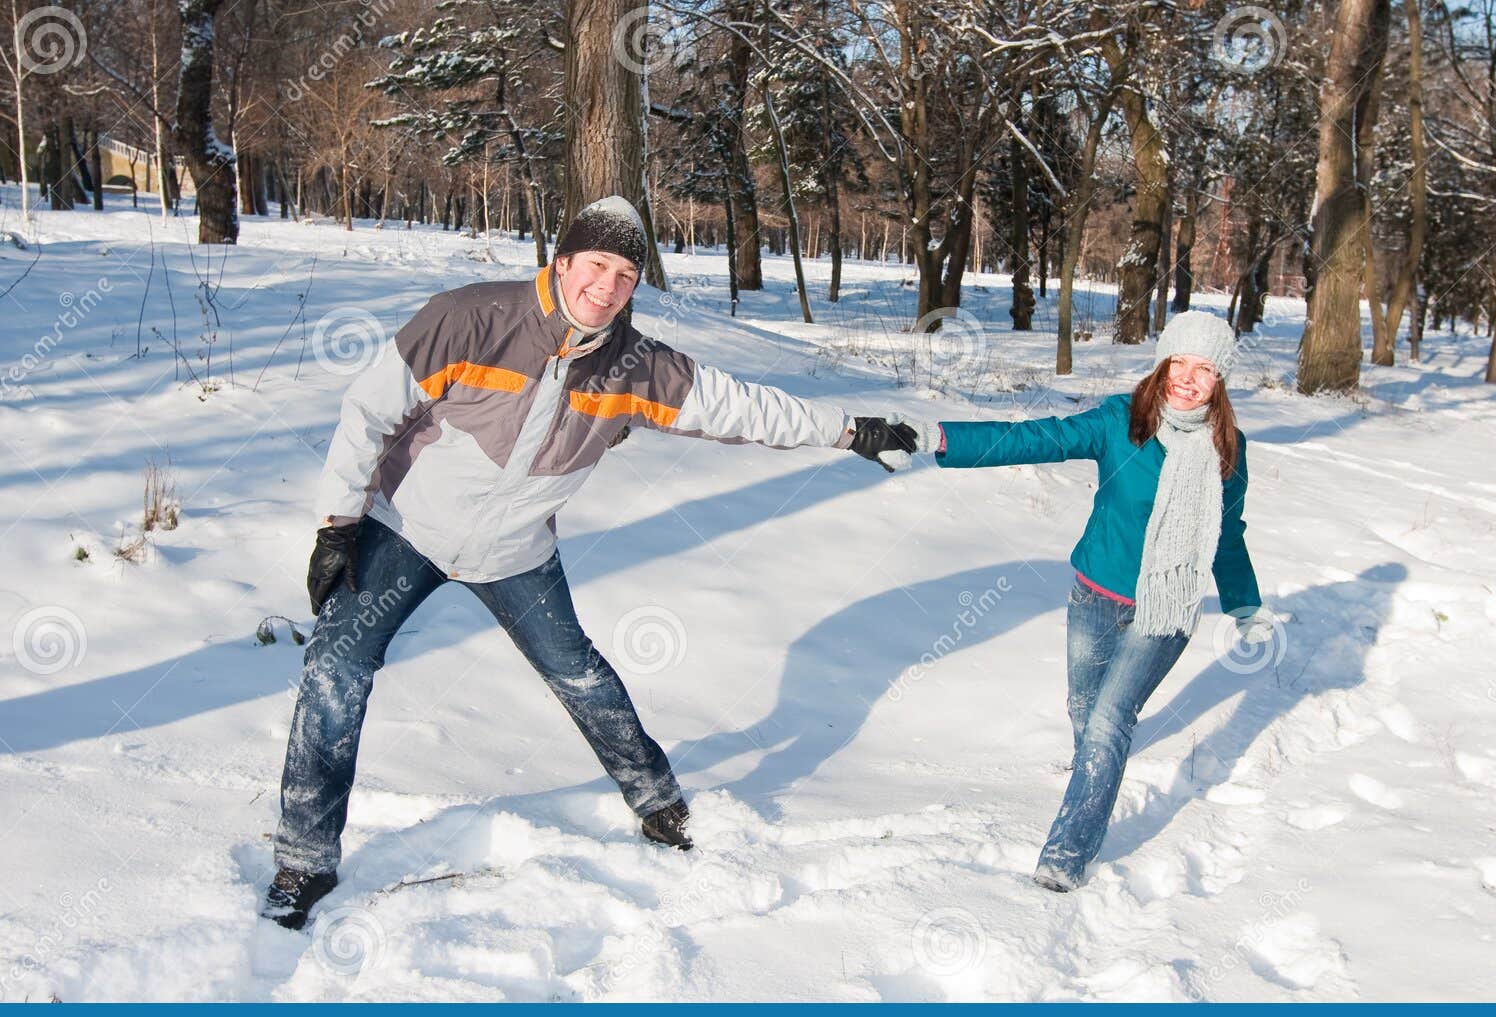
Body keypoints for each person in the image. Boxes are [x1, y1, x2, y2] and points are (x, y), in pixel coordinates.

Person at [264, 195, 916, 929]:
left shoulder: (636, 367)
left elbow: (743, 407)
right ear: (563, 261)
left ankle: (659, 802)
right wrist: (337, 525)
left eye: (625, 275)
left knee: (580, 675)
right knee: (335, 668)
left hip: (515, 550)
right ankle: (304, 861)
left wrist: (851, 430)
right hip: (405, 527)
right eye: (596, 266)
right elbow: (367, 411)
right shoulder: (469, 317)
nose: (606, 287)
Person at [889, 311, 1279, 893]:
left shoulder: (1228, 447)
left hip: (1164, 610)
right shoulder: (1123, 421)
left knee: (1107, 723)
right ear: (1162, 364)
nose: (1187, 378)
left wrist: (1246, 608)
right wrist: (940, 438)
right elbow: (1038, 438)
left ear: (1219, 379)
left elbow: (1227, 533)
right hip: (1094, 593)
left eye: (1204, 369)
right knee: (1082, 710)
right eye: (1179, 362)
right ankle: (1091, 782)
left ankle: (1066, 856)